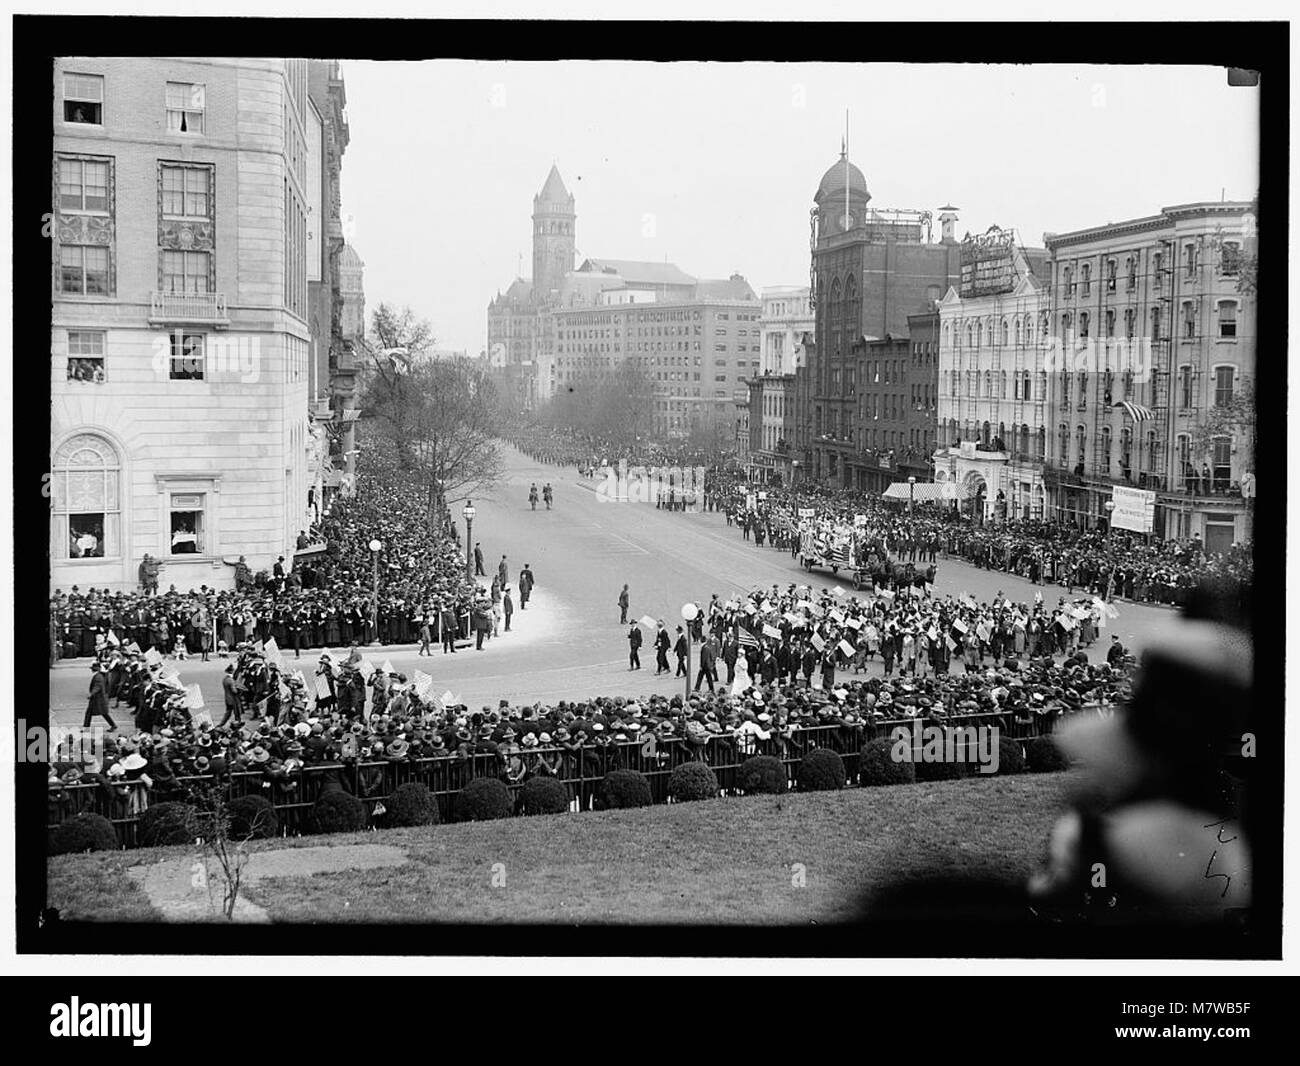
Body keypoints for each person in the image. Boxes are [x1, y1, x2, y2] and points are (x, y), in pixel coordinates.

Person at [83, 662, 116, 731]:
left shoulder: (98, 676)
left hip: (98, 698)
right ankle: (113, 725)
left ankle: (113, 725)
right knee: (102, 713)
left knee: (95, 713)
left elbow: (97, 687)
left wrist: (91, 694)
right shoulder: (101, 675)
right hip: (99, 698)